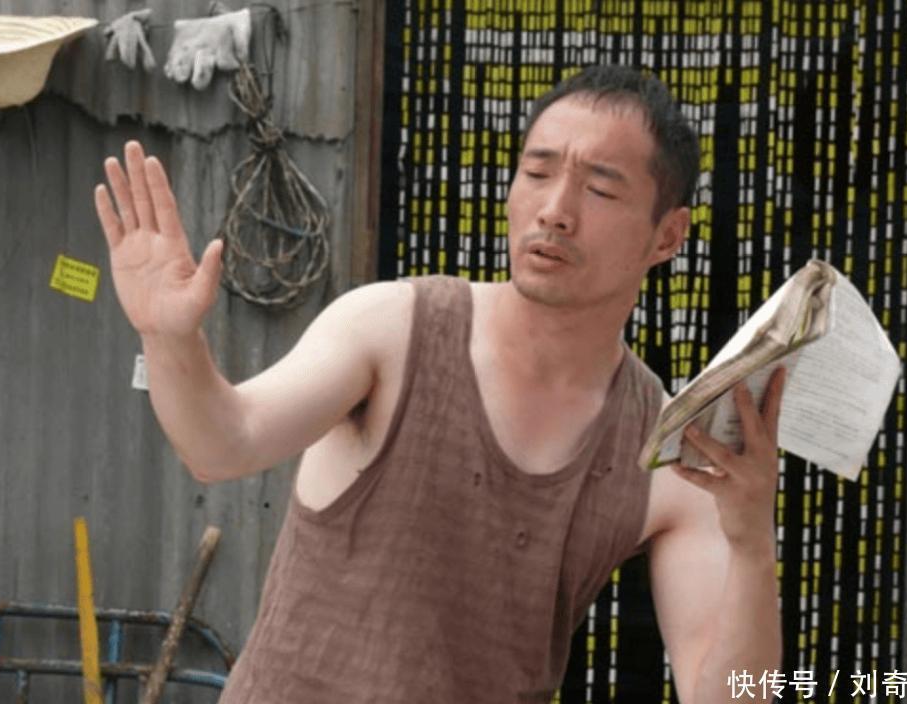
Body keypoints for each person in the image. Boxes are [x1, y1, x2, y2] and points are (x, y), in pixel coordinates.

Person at [94, 64, 784, 703]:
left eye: (600, 189)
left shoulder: (667, 448)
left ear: (667, 236)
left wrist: (752, 538)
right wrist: (170, 335)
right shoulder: (391, 328)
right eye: (537, 172)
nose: (555, 209)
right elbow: (223, 444)